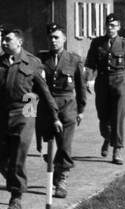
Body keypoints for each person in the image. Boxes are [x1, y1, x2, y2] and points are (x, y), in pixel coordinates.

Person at [0, 28, 61, 209]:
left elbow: (44, 92)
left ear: (19, 42)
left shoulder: (33, 63)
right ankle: (14, 180)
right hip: (1, 110)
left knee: (18, 154)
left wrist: (54, 117)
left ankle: (16, 196)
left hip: (27, 107)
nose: (3, 43)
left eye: (8, 40)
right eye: (2, 39)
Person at [37, 22, 88, 198]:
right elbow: (33, 87)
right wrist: (29, 111)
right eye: (50, 37)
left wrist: (81, 110)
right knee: (47, 146)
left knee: (65, 145)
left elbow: (81, 87)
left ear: (64, 39)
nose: (53, 41)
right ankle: (54, 172)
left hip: (67, 107)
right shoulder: (41, 59)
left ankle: (62, 179)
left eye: (56, 37)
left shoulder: (73, 60)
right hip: (45, 108)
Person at [84, 15, 125, 163]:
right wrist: (88, 80)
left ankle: (117, 150)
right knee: (103, 117)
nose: (110, 28)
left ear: (119, 27)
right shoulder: (97, 43)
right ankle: (107, 137)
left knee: (118, 117)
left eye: (113, 25)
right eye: (108, 25)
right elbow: (90, 64)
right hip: (102, 82)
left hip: (119, 81)